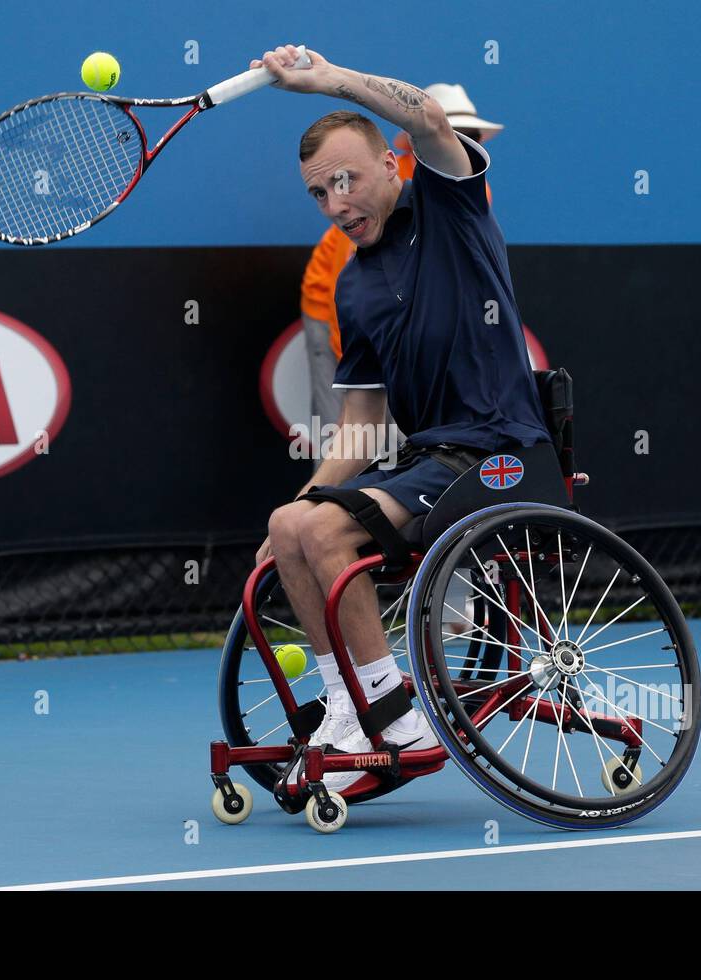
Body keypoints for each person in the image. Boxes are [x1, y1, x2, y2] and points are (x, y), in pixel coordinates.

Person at [252, 45, 551, 790]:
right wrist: (295, 506)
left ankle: (396, 718)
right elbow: (359, 420)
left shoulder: (449, 209)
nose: (336, 204)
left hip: (501, 452)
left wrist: (325, 80)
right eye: (319, 195)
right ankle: (350, 711)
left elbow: (424, 115)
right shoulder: (353, 286)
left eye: (347, 180)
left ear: (394, 164)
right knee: (295, 526)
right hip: (430, 462)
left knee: (323, 528)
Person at [298, 85, 502, 449]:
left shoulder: (470, 188)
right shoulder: (395, 182)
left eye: (469, 136)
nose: (461, 142)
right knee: (340, 426)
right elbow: (361, 288)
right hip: (325, 302)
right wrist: (362, 362)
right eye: (455, 133)